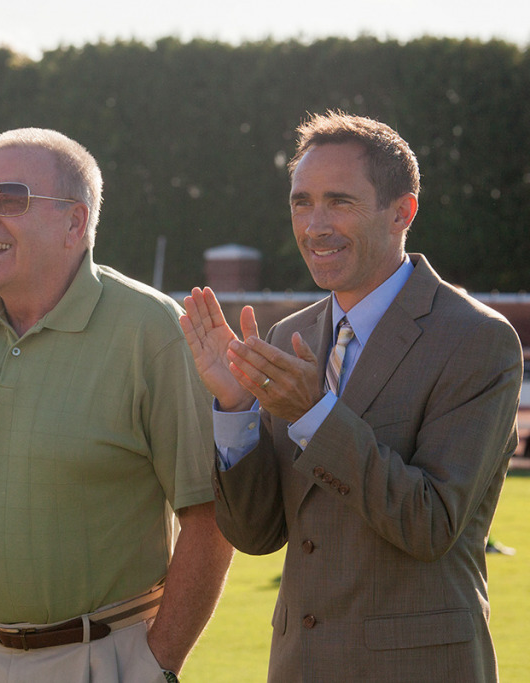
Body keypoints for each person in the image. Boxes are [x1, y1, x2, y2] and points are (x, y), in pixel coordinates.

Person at [0, 128, 233, 683]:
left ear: (75, 222)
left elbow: (208, 518)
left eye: (9, 199)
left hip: (99, 660)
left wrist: (153, 665)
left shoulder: (155, 330)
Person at [180, 111, 523, 681]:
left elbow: (430, 523)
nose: (315, 225)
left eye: (339, 202)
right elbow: (257, 533)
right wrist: (236, 410)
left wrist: (314, 413)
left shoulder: (478, 340)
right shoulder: (290, 336)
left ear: (402, 212)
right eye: (301, 202)